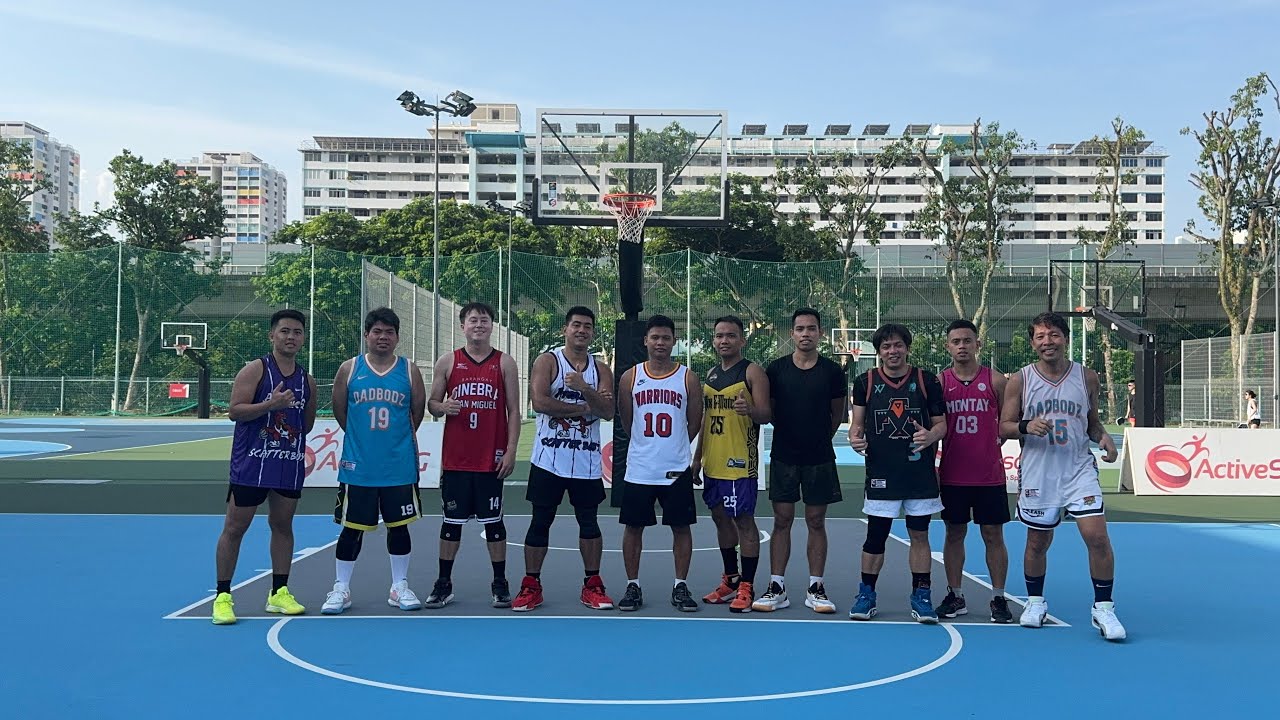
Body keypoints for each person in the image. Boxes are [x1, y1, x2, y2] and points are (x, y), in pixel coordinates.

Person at [999, 312, 1125, 641]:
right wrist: (1026, 426)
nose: (1047, 342)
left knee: (1097, 537)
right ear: (1032, 343)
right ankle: (1036, 602)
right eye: (1040, 337)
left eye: (1053, 335)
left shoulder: (1087, 377)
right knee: (1037, 542)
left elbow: (1092, 421)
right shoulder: (1021, 380)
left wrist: (1104, 436)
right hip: (1040, 471)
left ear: (1065, 338)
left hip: (1078, 469)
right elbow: (1004, 427)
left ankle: (1104, 608)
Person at [212, 309, 317, 625]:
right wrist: (269, 406)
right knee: (235, 527)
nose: (291, 337)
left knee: (283, 525)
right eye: (284, 331)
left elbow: (306, 423)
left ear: (303, 338)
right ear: (272, 335)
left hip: (287, 463)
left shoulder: (307, 380)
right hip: (252, 463)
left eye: (297, 332)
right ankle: (223, 596)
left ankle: (279, 592)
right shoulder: (255, 370)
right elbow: (235, 411)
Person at [321, 307, 427, 615]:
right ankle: (341, 588)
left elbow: (416, 413)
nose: (383, 337)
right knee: (351, 529)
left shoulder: (409, 370)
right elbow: (341, 411)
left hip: (398, 466)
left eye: (389, 332)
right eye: (377, 331)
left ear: (397, 337)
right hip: (359, 466)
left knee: (399, 527)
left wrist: (394, 444)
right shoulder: (350, 368)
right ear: (366, 335)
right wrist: (361, 441)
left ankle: (400, 586)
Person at [513, 306, 616, 612]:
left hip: (585, 462)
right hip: (549, 459)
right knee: (540, 522)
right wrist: (584, 408)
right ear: (565, 330)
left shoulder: (601, 371)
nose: (581, 330)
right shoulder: (548, 361)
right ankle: (531, 584)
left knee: (589, 523)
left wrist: (584, 388)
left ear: (593, 334)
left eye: (587, 326)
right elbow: (540, 402)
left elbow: (608, 412)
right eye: (576, 325)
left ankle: (593, 584)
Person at [424, 302, 522, 609]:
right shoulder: (448, 361)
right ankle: (444, 583)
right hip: (457, 459)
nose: (478, 324)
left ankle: (500, 582)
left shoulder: (504, 362)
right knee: (451, 523)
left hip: (490, 460)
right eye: (472, 320)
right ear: (463, 326)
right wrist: (443, 408)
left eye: (484, 320)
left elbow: (515, 411)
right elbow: (432, 403)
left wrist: (511, 450)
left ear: (492, 326)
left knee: (494, 523)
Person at [847, 322, 946, 623]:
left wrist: (931, 436)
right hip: (881, 469)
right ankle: (866, 594)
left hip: (918, 472)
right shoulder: (864, 381)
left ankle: (921, 594)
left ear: (907, 347)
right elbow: (856, 425)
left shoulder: (927, 380)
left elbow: (942, 424)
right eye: (886, 346)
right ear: (878, 352)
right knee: (875, 535)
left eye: (898, 345)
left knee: (920, 534)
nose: (893, 351)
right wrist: (854, 438)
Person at [754, 309, 846, 614]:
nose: (805, 333)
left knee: (816, 521)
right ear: (791, 334)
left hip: (819, 457)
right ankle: (777, 586)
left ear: (820, 333)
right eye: (799, 328)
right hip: (784, 455)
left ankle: (816, 587)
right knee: (781, 521)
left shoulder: (833, 372)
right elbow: (771, 412)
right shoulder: (776, 369)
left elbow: (836, 414)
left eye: (811, 328)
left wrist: (818, 438)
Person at [616, 314, 704, 612]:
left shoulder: (687, 377)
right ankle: (633, 585)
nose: (660, 343)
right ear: (645, 341)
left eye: (666, 337)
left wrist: (676, 447)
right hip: (640, 467)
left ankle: (680, 585)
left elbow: (694, 422)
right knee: (633, 528)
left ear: (674, 341)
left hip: (676, 468)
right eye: (655, 337)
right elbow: (627, 421)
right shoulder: (631, 376)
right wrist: (647, 444)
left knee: (681, 527)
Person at [934, 320, 1012, 624]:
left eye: (968, 340)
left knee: (993, 535)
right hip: (953, 473)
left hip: (988, 474)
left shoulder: (995, 381)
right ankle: (956, 594)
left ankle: (998, 597)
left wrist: (997, 439)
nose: (962, 346)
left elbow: (1008, 421)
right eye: (956, 341)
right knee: (954, 533)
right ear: (948, 347)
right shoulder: (940, 383)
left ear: (978, 344)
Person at [692, 316, 770, 613]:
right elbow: (704, 421)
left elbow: (765, 414)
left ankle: (748, 585)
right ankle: (731, 578)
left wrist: (749, 409)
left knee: (744, 523)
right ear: (714, 340)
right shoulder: (710, 374)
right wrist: (697, 458)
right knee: (720, 520)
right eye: (719, 335)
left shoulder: (752, 372)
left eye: (731, 335)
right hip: (713, 462)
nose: (724, 340)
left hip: (740, 464)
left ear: (742, 340)